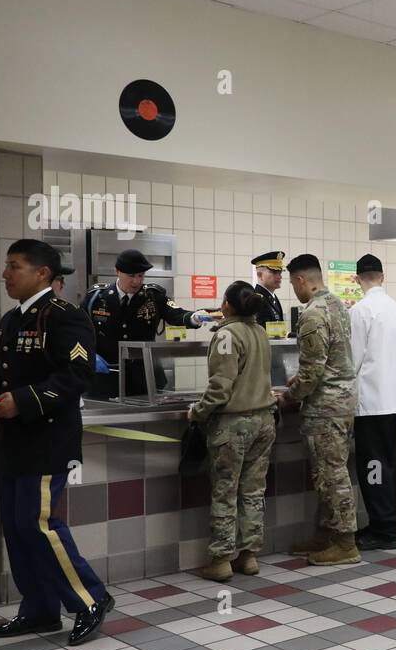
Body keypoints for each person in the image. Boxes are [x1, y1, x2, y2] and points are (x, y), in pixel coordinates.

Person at [0, 240, 113, 645]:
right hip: (15, 441)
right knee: (17, 526)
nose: (5, 274)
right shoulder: (11, 319)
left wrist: (22, 401)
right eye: (6, 266)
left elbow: (76, 376)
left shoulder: (65, 317)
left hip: (48, 440)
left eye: (14, 266)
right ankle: (39, 609)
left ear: (42, 273)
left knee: (39, 525)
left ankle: (91, 599)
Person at [188, 282, 277, 582]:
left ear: (226, 305)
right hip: (264, 421)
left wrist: (197, 412)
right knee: (253, 491)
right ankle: (249, 556)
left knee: (225, 491)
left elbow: (219, 388)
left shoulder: (226, 334)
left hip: (234, 425)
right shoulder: (260, 332)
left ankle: (221, 560)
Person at [279, 254, 360, 565]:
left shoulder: (312, 313)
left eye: (292, 283)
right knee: (330, 472)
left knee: (331, 475)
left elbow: (313, 371)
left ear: (301, 280)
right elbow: (330, 359)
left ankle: (345, 543)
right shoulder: (338, 304)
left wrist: (291, 394)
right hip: (343, 400)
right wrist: (302, 379)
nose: (293, 289)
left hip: (326, 407)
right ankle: (327, 534)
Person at [82, 248, 209, 397]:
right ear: (117, 271)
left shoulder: (153, 297)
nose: (136, 281)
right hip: (105, 381)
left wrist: (195, 317)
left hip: (144, 380)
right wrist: (89, 355)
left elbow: (176, 314)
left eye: (140, 275)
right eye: (131, 276)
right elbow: (77, 331)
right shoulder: (96, 297)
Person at [349, 254, 396, 552]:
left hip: (372, 402)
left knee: (372, 466)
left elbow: (352, 360)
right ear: (383, 277)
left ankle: (383, 529)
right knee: (387, 464)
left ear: (358, 279)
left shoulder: (361, 311)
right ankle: (385, 523)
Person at [251, 251, 286, 330]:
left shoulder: (272, 297)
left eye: (280, 272)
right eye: (274, 272)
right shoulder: (257, 299)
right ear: (260, 275)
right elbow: (260, 332)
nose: (279, 277)